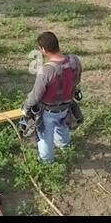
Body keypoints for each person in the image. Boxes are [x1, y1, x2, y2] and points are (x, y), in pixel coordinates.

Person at [23, 31, 82, 164]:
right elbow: (76, 80)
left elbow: (35, 95)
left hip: (48, 112)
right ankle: (65, 146)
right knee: (62, 127)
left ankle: (46, 160)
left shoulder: (46, 71)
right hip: (66, 107)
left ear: (44, 50)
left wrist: (26, 107)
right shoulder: (74, 61)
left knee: (44, 137)